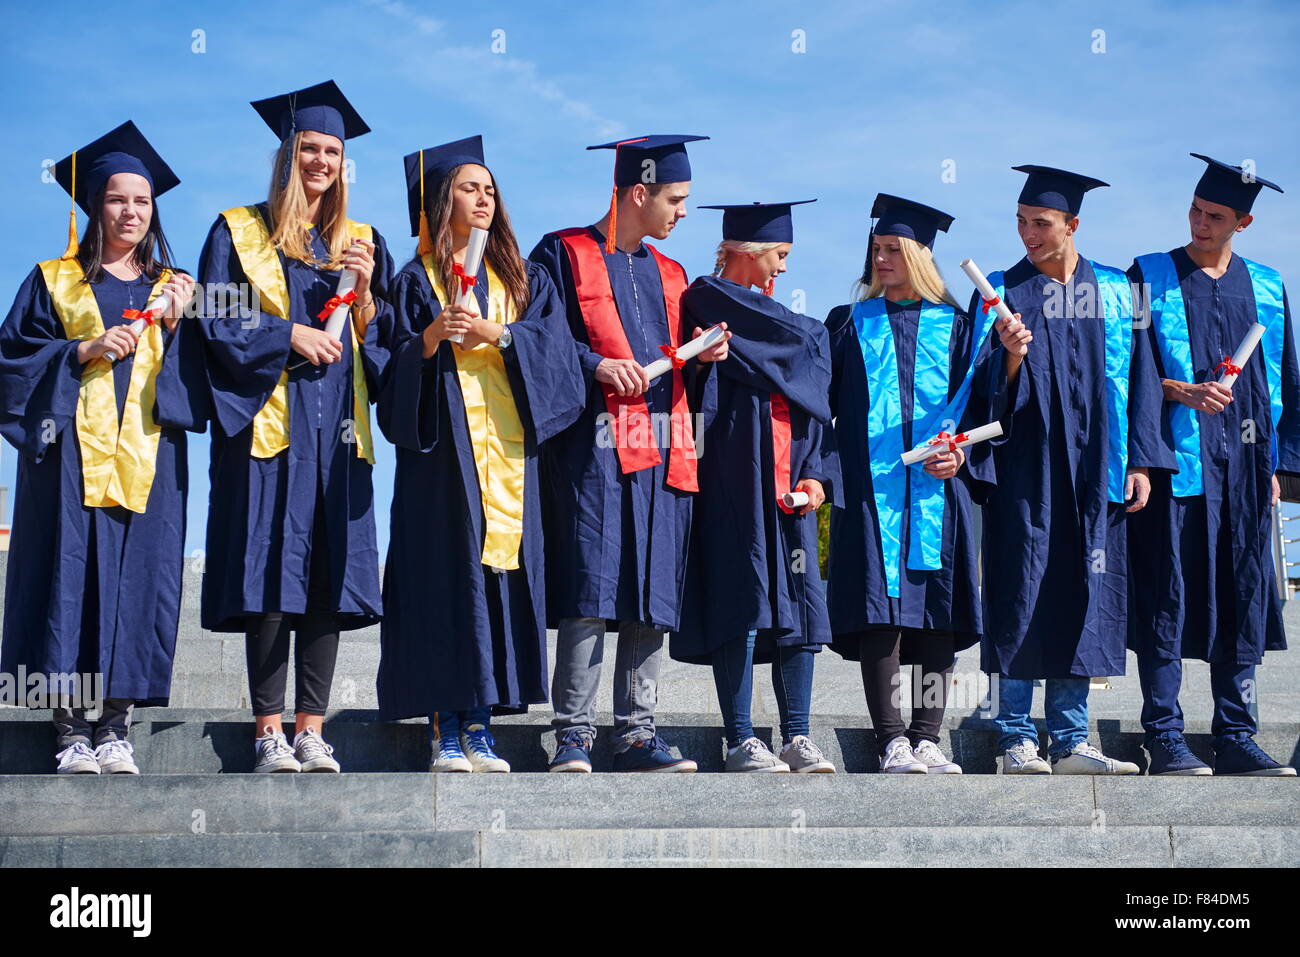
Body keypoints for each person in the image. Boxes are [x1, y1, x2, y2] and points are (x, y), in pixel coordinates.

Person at [192, 81, 393, 773]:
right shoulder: (237, 231)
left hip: (337, 433)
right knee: (272, 574)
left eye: (332, 150)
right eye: (308, 147)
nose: (321, 160)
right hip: (269, 433)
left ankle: (313, 727)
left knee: (327, 577)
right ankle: (268, 729)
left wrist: (366, 294)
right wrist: (289, 336)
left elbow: (384, 339)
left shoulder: (361, 242)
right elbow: (215, 317)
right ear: (287, 154)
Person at [376, 136, 584, 773]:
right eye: (470, 187)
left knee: (495, 582)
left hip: (511, 457)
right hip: (443, 465)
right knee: (448, 584)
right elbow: (387, 375)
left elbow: (560, 360)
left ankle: (482, 728)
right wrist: (432, 338)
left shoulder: (523, 280)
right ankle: (446, 727)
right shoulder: (415, 281)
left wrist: (499, 334)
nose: (485, 197)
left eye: (490, 188)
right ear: (441, 201)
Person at [0, 121, 202, 774]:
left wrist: (184, 325)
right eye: (118, 198)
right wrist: (79, 350)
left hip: (150, 465)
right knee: (69, 582)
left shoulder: (174, 288)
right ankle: (70, 732)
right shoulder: (53, 280)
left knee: (137, 587)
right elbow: (10, 362)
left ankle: (116, 727)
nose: (131, 211)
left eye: (142, 201)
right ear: (94, 205)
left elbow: (210, 379)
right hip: (68, 463)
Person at [529, 135, 730, 772]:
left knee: (651, 589)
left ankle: (638, 731)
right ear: (637, 193)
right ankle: (573, 733)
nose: (683, 213)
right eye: (676, 199)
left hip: (662, 447)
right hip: (594, 451)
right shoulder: (562, 252)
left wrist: (706, 356)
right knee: (591, 584)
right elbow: (542, 338)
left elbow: (678, 364)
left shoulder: (670, 273)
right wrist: (593, 364)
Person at [965, 165, 1169, 775]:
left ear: (1072, 224)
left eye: (1041, 223)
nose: (1027, 233)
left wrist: (1141, 462)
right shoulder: (1000, 292)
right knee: (1022, 591)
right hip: (1026, 473)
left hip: (1095, 472)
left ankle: (1073, 737)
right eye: (1021, 221)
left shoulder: (1117, 290)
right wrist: (1009, 355)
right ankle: (1014, 737)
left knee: (1088, 590)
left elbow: (1143, 381)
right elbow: (981, 398)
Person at [1127, 154, 1299, 776]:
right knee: (1167, 598)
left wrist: (1279, 466)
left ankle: (1235, 734)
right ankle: (1164, 734)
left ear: (1243, 223)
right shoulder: (1148, 275)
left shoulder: (1269, 288)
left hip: (1246, 473)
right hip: (1175, 468)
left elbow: (1287, 382)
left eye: (1215, 216)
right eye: (1195, 210)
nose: (1200, 222)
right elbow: (1128, 371)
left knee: (1243, 596)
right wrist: (1180, 391)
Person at [670, 199, 839, 773]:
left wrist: (817, 479)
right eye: (779, 256)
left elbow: (817, 408)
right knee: (740, 602)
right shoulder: (702, 303)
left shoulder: (797, 331)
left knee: (801, 608)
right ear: (745, 251)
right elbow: (685, 393)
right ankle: (741, 737)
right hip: (730, 484)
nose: (785, 271)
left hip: (791, 487)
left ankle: (797, 735)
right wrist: (703, 359)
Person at [825, 195, 988, 774]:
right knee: (883, 613)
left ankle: (927, 739)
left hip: (940, 494)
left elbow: (988, 410)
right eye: (876, 250)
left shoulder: (961, 326)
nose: (881, 259)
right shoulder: (847, 324)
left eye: (894, 250)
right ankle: (890, 738)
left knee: (935, 612)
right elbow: (820, 409)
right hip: (872, 496)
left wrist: (963, 457)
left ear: (919, 256)